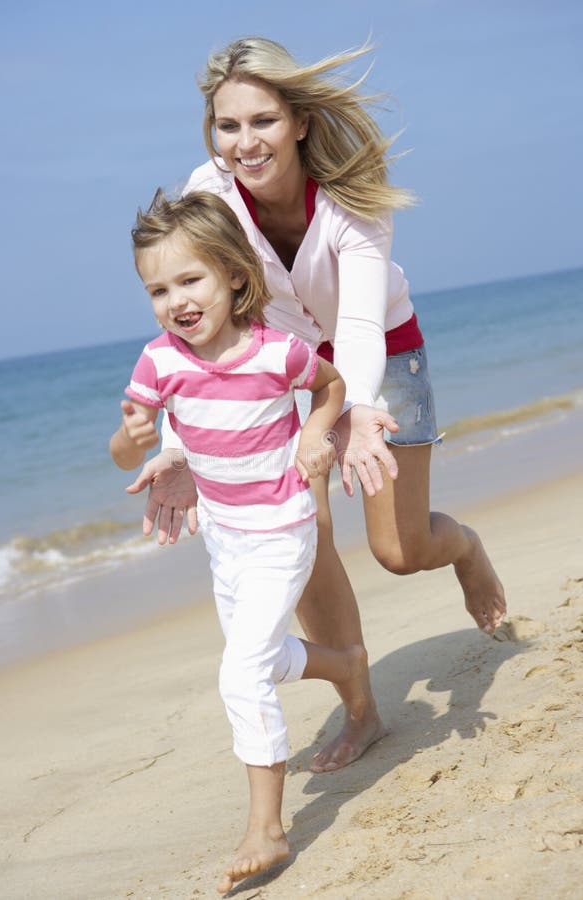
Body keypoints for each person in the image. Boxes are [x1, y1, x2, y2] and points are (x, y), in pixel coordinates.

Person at [127, 36, 506, 776]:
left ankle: (463, 549)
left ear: (298, 120)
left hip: (383, 353)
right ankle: (363, 710)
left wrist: (358, 408)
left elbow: (360, 325)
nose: (245, 143)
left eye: (262, 121)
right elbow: (194, 325)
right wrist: (175, 438)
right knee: (299, 538)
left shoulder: (354, 192)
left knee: (400, 552)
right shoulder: (209, 192)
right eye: (228, 126)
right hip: (282, 367)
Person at [110, 189, 368, 891]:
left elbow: (333, 383)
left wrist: (316, 433)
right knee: (259, 659)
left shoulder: (275, 353)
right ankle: (343, 665)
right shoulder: (159, 362)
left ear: (231, 272)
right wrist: (137, 445)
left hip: (284, 529)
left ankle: (267, 828)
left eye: (189, 280)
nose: (175, 302)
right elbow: (124, 447)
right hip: (224, 537)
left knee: (238, 673)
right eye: (157, 289)